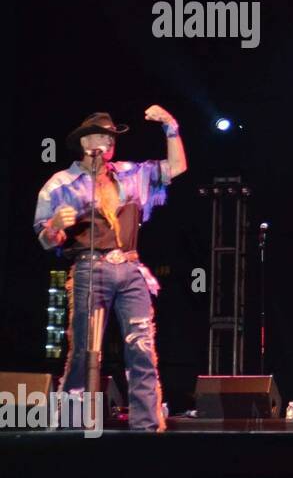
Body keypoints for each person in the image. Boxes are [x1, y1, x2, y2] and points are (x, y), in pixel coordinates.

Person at [34, 108, 186, 431]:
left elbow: (176, 167)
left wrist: (171, 127)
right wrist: (54, 227)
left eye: (110, 137)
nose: (105, 141)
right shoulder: (62, 184)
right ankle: (73, 426)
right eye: (99, 136)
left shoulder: (129, 175)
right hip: (90, 269)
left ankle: (146, 426)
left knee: (142, 347)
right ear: (84, 142)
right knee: (85, 352)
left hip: (130, 267)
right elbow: (48, 240)